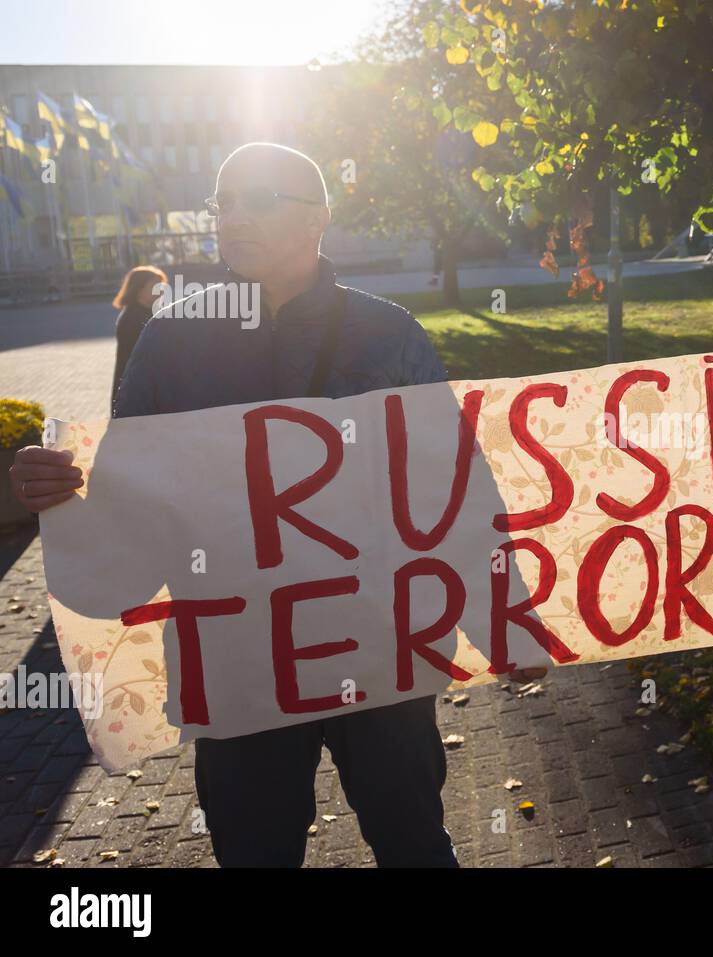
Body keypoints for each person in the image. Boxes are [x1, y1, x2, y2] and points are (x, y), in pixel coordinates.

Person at [8, 142, 527, 867]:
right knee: (254, 852)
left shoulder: (389, 335)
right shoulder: (171, 341)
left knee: (412, 839)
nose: (232, 218)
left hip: (377, 645)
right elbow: (131, 502)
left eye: (257, 200)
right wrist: (58, 495)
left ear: (318, 216)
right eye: (223, 203)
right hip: (239, 657)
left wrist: (506, 616)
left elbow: (455, 484)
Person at [109, 265, 167, 412]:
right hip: (136, 388)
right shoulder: (133, 318)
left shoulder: (147, 312)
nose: (161, 290)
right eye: (155, 286)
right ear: (139, 289)